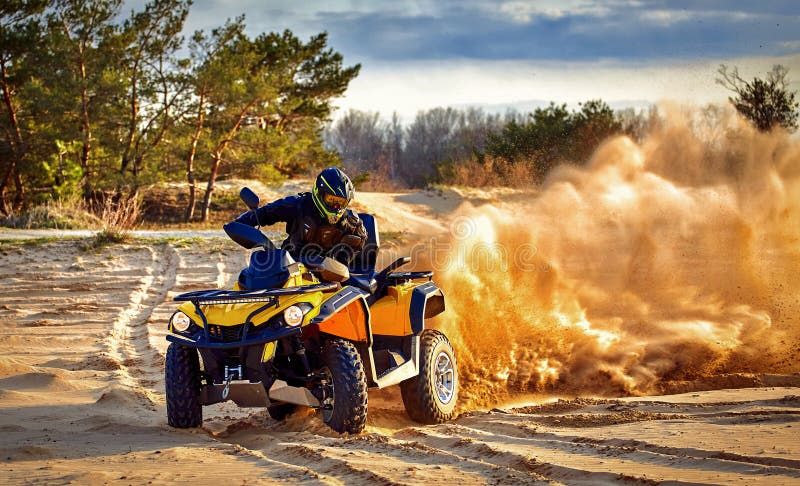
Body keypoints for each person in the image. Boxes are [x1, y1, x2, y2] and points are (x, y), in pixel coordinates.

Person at [235, 167, 367, 265]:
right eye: (331, 200)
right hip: (289, 267)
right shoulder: (297, 205)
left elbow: (360, 240)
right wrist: (243, 223)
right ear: (319, 192)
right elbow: (265, 213)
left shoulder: (351, 222)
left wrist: (342, 260)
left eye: (341, 202)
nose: (336, 206)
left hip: (329, 276)